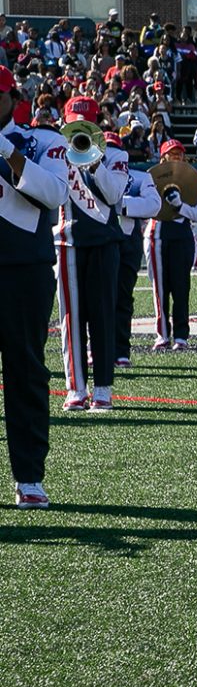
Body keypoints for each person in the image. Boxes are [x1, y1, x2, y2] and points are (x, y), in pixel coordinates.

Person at [0, 68, 69, 507]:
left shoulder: (42, 141)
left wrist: (7, 151)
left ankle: (29, 476)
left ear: (11, 96)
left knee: (25, 371)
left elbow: (55, 193)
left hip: (23, 270)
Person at [53, 97, 129, 411]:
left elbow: (113, 195)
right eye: (74, 123)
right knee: (70, 319)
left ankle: (103, 388)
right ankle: (76, 388)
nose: (79, 130)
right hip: (68, 240)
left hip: (104, 242)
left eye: (86, 123)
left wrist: (95, 161)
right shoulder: (55, 154)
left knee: (102, 315)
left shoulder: (116, 155)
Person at [145, 141, 197, 351]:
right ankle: (162, 334)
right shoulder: (150, 180)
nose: (176, 157)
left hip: (182, 235)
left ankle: (181, 335)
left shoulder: (193, 181)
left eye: (179, 153)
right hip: (157, 235)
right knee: (160, 287)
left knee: (181, 288)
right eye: (172, 154)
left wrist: (180, 206)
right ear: (163, 158)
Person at [111, 138, 162, 366]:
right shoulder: (89, 173)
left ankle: (121, 349)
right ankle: (95, 347)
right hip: (99, 238)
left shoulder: (141, 177)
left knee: (123, 296)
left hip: (127, 240)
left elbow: (154, 205)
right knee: (96, 296)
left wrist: (121, 204)